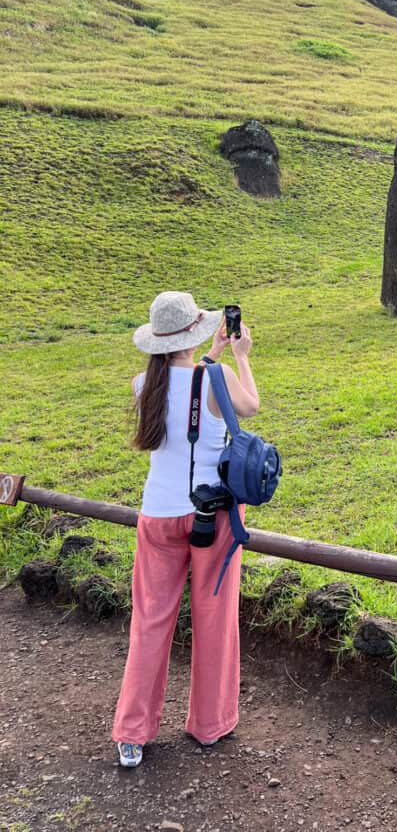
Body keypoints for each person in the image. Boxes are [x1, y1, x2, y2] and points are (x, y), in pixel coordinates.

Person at [112, 291, 260, 768]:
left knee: (150, 622)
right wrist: (238, 356)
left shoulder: (142, 384)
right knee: (215, 621)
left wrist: (211, 356)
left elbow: (181, 385)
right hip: (211, 517)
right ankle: (209, 724)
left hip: (156, 516)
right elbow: (251, 405)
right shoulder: (215, 381)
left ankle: (132, 734)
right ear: (195, 333)